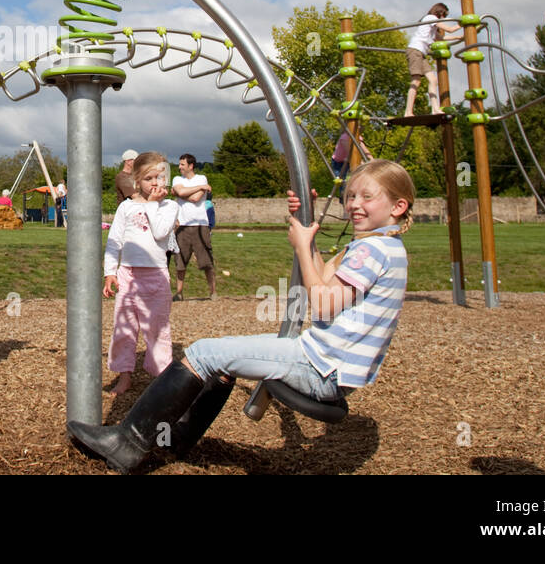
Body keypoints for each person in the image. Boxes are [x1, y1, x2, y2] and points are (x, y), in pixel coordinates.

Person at [68, 159, 413, 474]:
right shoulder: (385, 246)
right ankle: (176, 441)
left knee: (202, 352)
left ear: (399, 206)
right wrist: (307, 238)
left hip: (320, 366)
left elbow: (322, 303)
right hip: (328, 363)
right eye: (351, 196)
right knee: (218, 358)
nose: (354, 204)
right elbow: (324, 281)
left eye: (367, 197)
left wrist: (300, 247)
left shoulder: (371, 250)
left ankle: (127, 443)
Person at [103, 151, 178, 397]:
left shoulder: (169, 207)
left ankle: (160, 379)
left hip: (155, 276)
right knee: (124, 329)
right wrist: (110, 272)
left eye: (159, 177)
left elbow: (159, 232)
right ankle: (125, 377)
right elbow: (114, 240)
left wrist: (154, 203)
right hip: (128, 275)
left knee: (157, 329)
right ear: (137, 180)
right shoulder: (127, 207)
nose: (155, 183)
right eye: (149, 178)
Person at [171, 154, 215, 301]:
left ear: (191, 166)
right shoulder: (177, 179)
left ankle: (213, 292)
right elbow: (183, 192)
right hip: (182, 225)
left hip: (200, 225)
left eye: (182, 164)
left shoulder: (201, 178)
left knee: (206, 261)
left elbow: (195, 198)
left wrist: (180, 193)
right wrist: (199, 189)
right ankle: (179, 292)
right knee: (180, 261)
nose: (179, 167)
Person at [405, 3, 461, 117]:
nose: (443, 18)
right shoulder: (431, 18)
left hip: (421, 53)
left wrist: (458, 37)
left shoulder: (432, 25)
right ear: (440, 12)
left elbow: (441, 38)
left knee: (433, 80)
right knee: (416, 81)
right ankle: (408, 112)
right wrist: (462, 24)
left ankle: (435, 109)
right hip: (415, 50)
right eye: (443, 15)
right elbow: (449, 29)